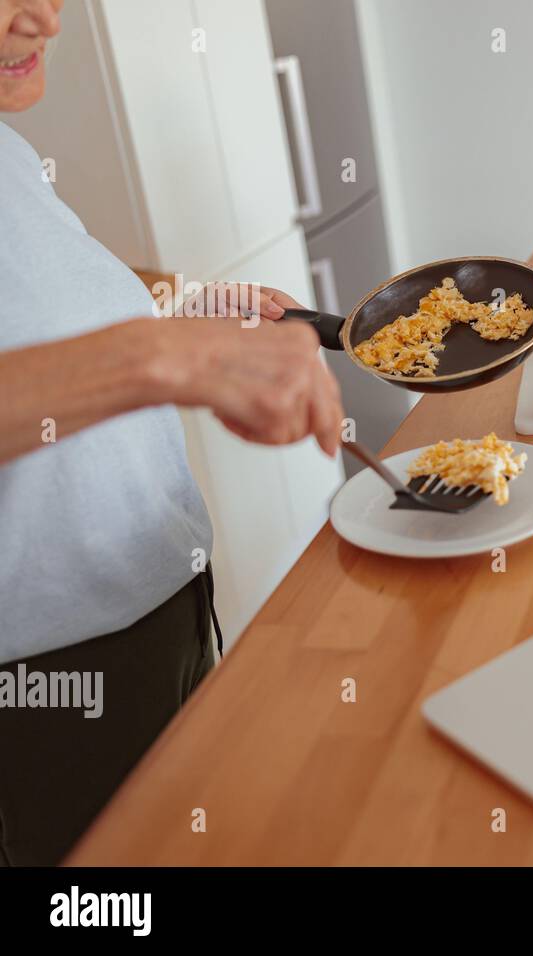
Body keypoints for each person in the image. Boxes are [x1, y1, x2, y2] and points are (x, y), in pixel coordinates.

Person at [0, 0, 344, 865]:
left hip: (160, 614)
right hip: (45, 691)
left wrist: (192, 303)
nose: (42, 19)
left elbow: (43, 304)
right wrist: (157, 356)